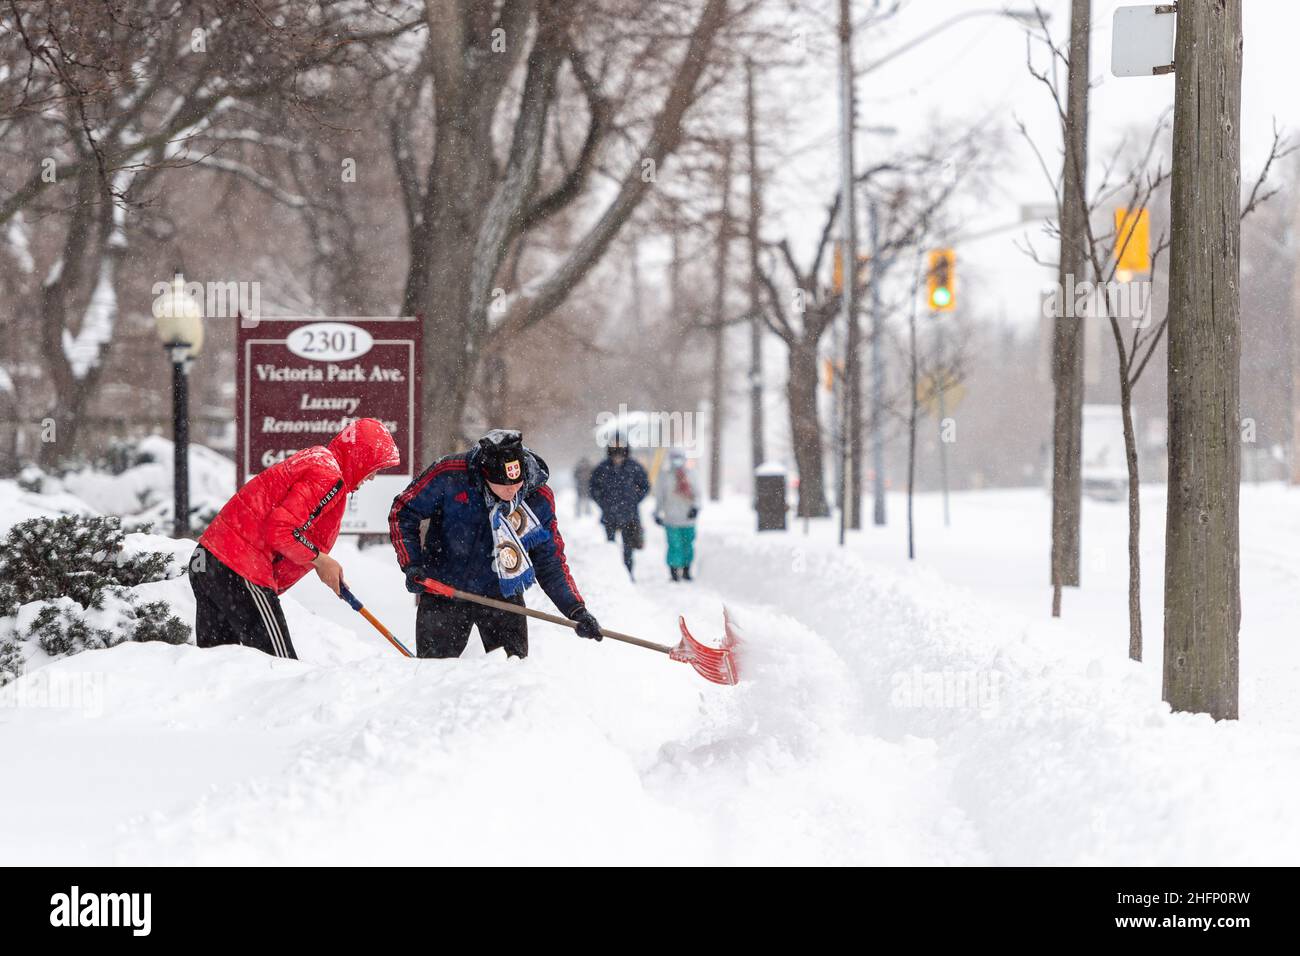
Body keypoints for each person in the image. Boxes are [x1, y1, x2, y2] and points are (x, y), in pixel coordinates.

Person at [191, 418, 400, 659]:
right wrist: (321, 560)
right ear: (360, 457)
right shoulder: (327, 475)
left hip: (207, 558)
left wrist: (318, 562)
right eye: (375, 467)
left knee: (221, 667)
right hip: (240, 568)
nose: (373, 477)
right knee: (280, 668)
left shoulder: (318, 460)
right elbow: (280, 530)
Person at [388, 428, 602, 659]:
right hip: (444, 590)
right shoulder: (450, 475)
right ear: (484, 474)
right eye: (502, 485)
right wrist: (412, 564)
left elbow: (550, 561)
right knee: (433, 674)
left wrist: (575, 610)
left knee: (511, 674)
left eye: (517, 482)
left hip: (503, 593)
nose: (512, 490)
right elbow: (403, 511)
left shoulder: (536, 497)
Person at [588, 439, 649, 580]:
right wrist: (603, 503)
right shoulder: (602, 468)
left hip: (630, 515)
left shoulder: (634, 467)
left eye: (620, 450)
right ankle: (613, 574)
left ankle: (628, 574)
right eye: (614, 451)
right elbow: (593, 488)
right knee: (610, 547)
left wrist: (634, 500)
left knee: (628, 548)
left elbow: (645, 486)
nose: (617, 455)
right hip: (609, 515)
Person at [653, 449, 699, 581]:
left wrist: (695, 508)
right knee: (674, 545)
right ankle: (673, 571)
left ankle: (686, 570)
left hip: (688, 519)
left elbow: (698, 494)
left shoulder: (692, 474)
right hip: (671, 519)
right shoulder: (665, 476)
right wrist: (657, 513)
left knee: (687, 545)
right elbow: (660, 497)